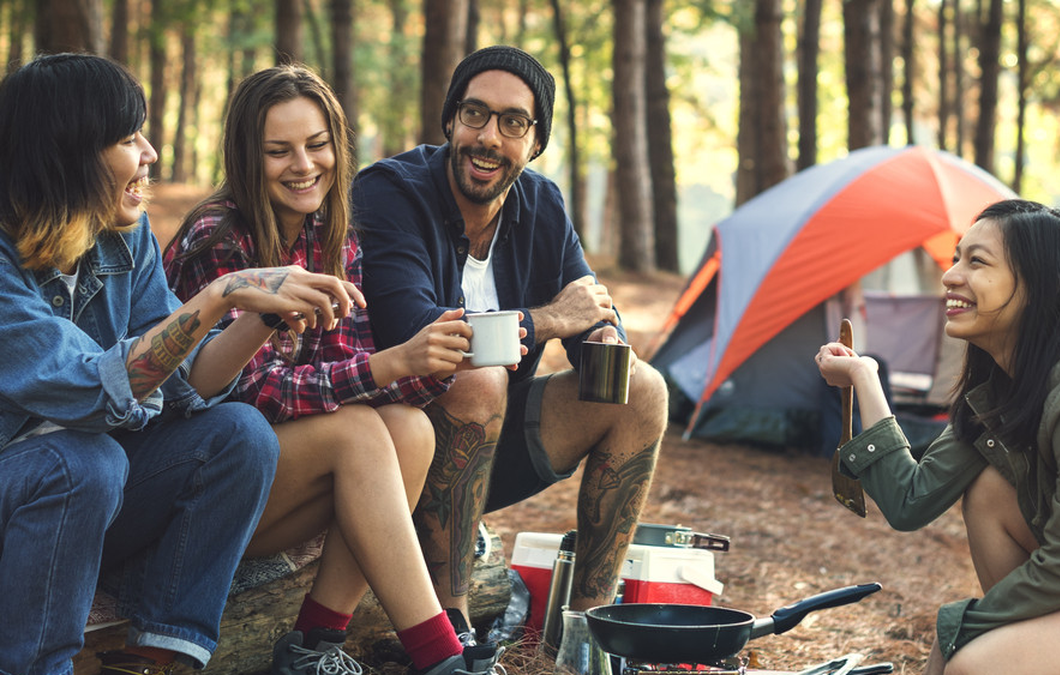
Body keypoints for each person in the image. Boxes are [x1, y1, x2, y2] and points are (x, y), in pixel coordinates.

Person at [0, 54, 368, 675]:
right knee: (83, 459)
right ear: (64, 153)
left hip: (97, 491)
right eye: (126, 139)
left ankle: (154, 660)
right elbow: (92, 389)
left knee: (238, 435)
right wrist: (217, 295)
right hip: (29, 487)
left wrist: (263, 310)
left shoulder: (124, 236)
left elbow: (187, 380)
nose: (149, 153)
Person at [164, 65, 502, 675]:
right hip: (210, 484)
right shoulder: (218, 238)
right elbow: (244, 393)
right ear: (246, 155)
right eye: (278, 151)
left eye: (317, 145)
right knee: (358, 431)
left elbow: (348, 368)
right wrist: (384, 366)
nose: (304, 165)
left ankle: (312, 647)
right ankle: (441, 659)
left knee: (409, 427)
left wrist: (435, 360)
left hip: (288, 484)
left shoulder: (332, 229)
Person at [351, 44, 669, 657]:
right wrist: (551, 318)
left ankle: (588, 629)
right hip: (392, 453)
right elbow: (420, 332)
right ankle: (451, 621)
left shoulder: (541, 204)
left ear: (535, 142)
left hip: (490, 452)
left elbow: (590, 309)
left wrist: (605, 337)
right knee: (478, 376)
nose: (489, 137)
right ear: (450, 121)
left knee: (642, 389)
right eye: (475, 114)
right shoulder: (390, 192)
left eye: (513, 123)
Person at [814, 199, 1060, 675]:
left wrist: (962, 628)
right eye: (957, 257)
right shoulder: (1006, 383)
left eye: (977, 262)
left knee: (972, 665)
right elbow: (909, 501)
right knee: (990, 492)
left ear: (1042, 287)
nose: (951, 275)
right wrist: (864, 377)